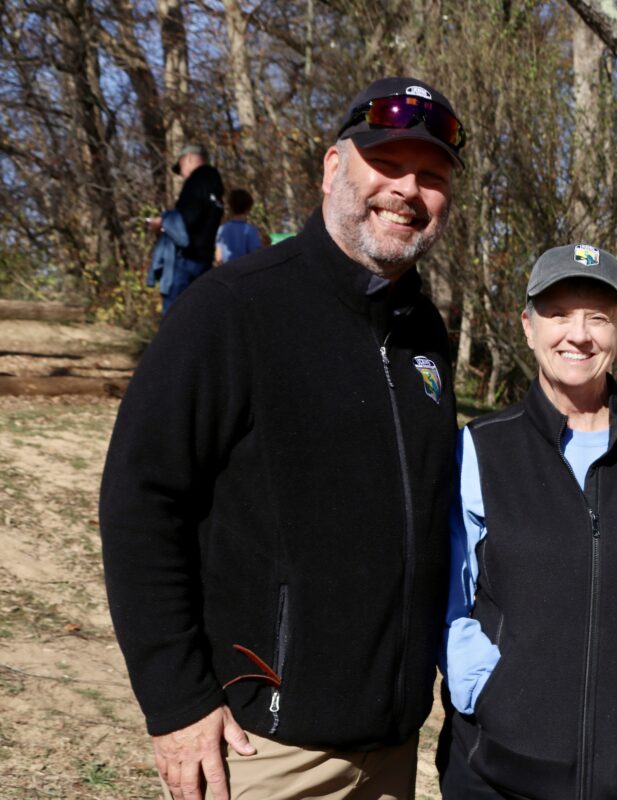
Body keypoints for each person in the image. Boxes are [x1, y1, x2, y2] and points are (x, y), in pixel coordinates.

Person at [100, 76, 468, 800]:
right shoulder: (234, 308)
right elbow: (140, 503)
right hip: (265, 748)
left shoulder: (423, 331)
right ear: (333, 168)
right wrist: (177, 702)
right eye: (387, 164)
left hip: (393, 746)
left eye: (431, 175)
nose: (407, 190)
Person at [439, 244, 617, 798]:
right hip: (500, 774)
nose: (578, 335)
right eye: (558, 314)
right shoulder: (483, 447)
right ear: (528, 327)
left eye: (597, 317)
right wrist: (484, 690)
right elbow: (452, 596)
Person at [147, 144, 225, 312]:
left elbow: (184, 222)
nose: (182, 175)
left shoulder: (196, 182)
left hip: (185, 262)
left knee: (174, 317)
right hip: (205, 261)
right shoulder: (215, 186)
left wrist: (163, 221)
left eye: (180, 167)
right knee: (197, 315)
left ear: (189, 158)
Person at [214, 189, 263, 265]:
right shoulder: (250, 230)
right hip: (245, 270)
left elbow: (219, 258)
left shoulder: (221, 229)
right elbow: (256, 256)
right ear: (248, 209)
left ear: (230, 207)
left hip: (226, 270)